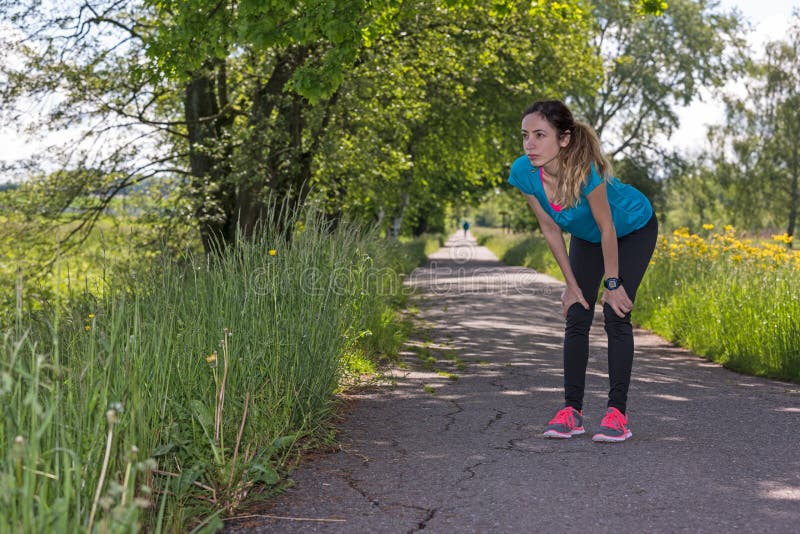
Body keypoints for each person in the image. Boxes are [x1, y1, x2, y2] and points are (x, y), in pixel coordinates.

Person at [508, 100, 658, 443]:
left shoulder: (585, 169)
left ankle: (617, 413)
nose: (529, 144)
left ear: (563, 139)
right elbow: (549, 228)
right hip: (588, 237)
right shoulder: (524, 172)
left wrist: (613, 282)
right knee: (577, 311)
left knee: (615, 313)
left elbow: (608, 227)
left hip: (632, 228)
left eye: (539, 135)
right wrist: (571, 285)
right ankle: (571, 412)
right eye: (525, 136)